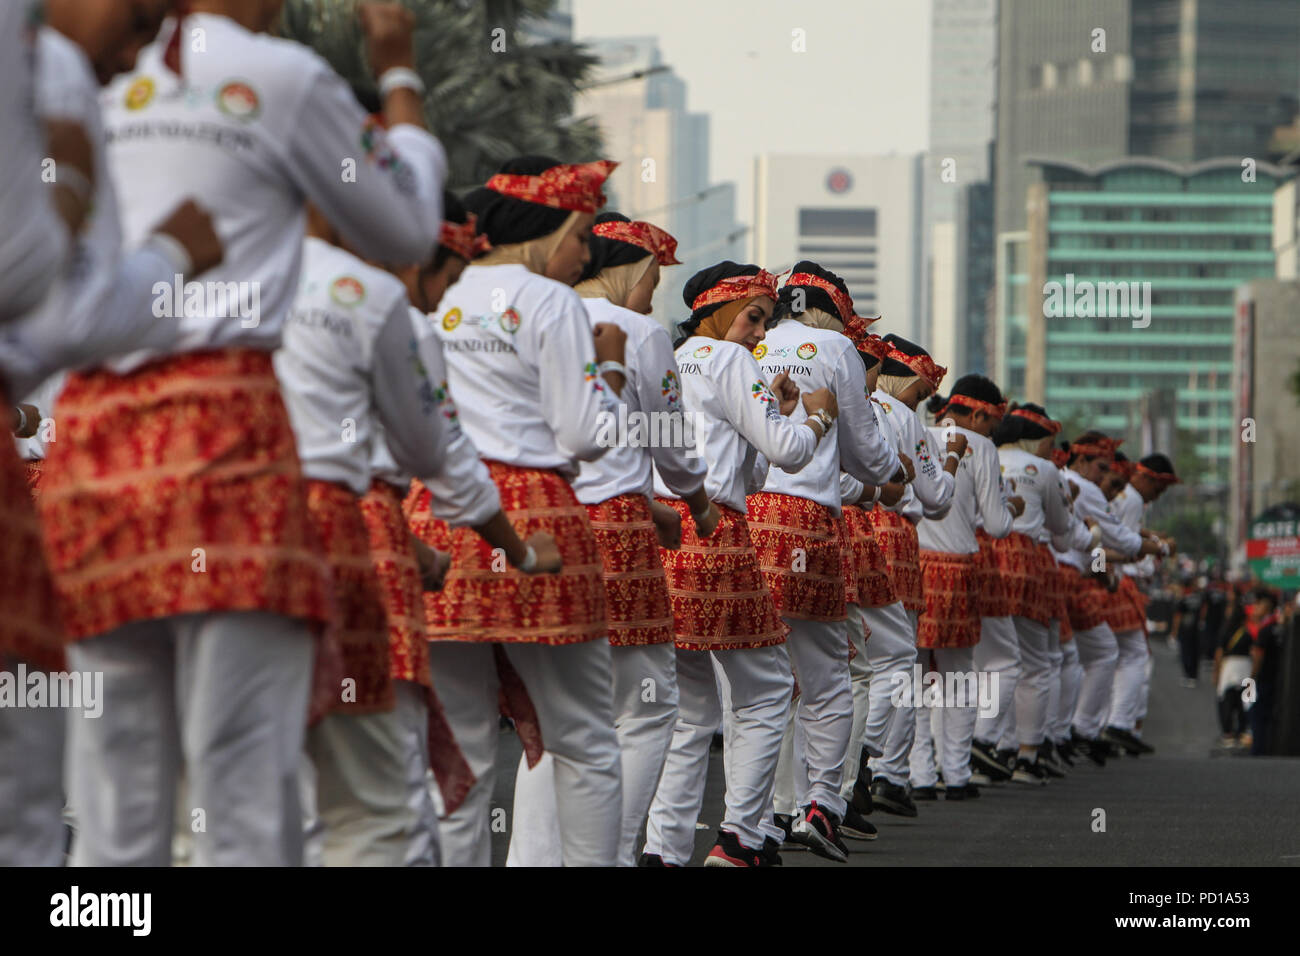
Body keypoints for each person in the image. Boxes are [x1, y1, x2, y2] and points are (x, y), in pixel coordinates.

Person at [40, 0, 447, 866]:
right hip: (225, 450)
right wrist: (399, 71)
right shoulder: (283, 76)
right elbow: (409, 227)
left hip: (92, 449)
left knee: (115, 806)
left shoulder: (81, 78)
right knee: (244, 798)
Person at [410, 155, 629, 867]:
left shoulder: (438, 291)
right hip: (536, 514)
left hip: (439, 511)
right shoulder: (549, 303)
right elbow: (583, 433)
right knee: (585, 738)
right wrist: (612, 371)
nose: (586, 254)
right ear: (547, 227)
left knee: (459, 743)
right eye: (581, 234)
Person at [506, 211, 719, 868]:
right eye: (653, 275)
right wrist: (698, 505)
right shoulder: (640, 332)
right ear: (629, 271)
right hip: (619, 526)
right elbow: (672, 442)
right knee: (647, 704)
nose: (655, 291)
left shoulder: (541, 312)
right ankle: (614, 854)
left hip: (549, 519)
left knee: (553, 715)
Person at [642, 261, 835, 867]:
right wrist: (816, 416)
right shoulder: (730, 362)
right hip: (713, 533)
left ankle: (663, 850)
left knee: (688, 706)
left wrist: (769, 414)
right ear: (715, 309)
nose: (759, 333)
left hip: (660, 533)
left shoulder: (667, 360)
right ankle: (741, 838)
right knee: (767, 689)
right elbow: (788, 455)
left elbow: (748, 469)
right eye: (754, 316)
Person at [751, 263, 904, 861]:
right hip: (804, 524)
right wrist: (892, 474)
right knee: (827, 678)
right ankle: (822, 804)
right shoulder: (837, 350)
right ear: (827, 308)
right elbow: (868, 452)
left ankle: (756, 822)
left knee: (756, 688)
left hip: (741, 520)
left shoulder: (743, 344)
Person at [862, 335, 963, 814]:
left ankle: (831, 780)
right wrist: (952, 457)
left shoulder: (855, 403)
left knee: (846, 663)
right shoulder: (903, 418)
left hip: (844, 528)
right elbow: (938, 498)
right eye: (920, 394)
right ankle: (884, 770)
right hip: (890, 536)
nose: (919, 404)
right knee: (899, 662)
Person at [909, 375, 1023, 800]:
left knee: (915, 677)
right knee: (957, 678)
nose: (992, 432)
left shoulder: (915, 431)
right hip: (957, 569)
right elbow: (995, 525)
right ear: (977, 414)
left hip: (914, 563)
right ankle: (955, 774)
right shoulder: (983, 448)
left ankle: (917, 776)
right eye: (991, 423)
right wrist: (1012, 507)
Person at [974, 403, 1077, 785]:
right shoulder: (1046, 470)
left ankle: (984, 747)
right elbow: (1062, 532)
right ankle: (1027, 754)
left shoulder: (977, 453)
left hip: (982, 556)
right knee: (1034, 664)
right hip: (1026, 561)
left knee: (985, 662)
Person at [1057, 433, 1166, 765]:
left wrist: (1112, 557)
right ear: (1081, 461)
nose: (1109, 485)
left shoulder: (1061, 478)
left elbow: (1099, 545)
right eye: (1104, 471)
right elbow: (1115, 542)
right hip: (1072, 577)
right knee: (1112, 655)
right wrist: (1158, 548)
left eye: (1113, 479)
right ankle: (1081, 730)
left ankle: (1054, 736)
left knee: (1061, 659)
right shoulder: (1089, 489)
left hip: (1064, 573)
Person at [1102, 454, 1179, 755]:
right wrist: (1158, 547)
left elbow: (1116, 531)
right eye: (1157, 489)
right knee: (1134, 655)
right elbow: (1123, 541)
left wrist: (1150, 537)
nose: (1156, 496)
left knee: (1100, 656)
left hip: (1102, 576)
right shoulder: (1132, 498)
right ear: (1144, 478)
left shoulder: (1119, 496)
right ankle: (1118, 725)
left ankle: (1094, 727)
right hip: (1117, 580)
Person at [1247, 589, 1283, 755]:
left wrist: (1251, 678)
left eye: (1258, 604)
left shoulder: (1265, 629)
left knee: (1256, 713)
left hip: (1262, 679)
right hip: (1278, 679)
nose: (1255, 608)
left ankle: (1258, 749)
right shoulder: (1280, 627)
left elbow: (1258, 656)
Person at [1171, 578, 1207, 687]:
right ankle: (1193, 676)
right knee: (1195, 652)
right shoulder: (1199, 598)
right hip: (1196, 629)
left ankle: (1188, 675)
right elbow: (1204, 610)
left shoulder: (1183, 600)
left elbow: (1178, 616)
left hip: (1185, 630)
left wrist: (1174, 632)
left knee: (1186, 652)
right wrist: (1201, 620)